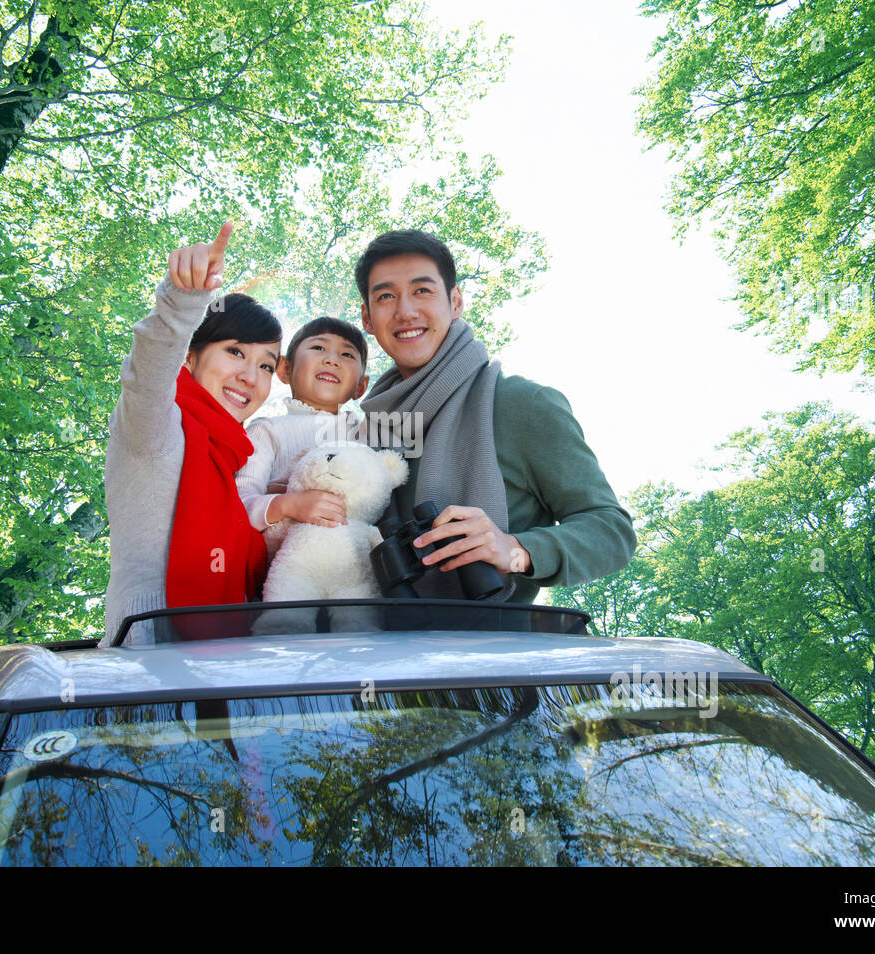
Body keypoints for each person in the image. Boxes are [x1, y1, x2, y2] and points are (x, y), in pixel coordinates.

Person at [354, 229, 637, 601]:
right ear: (368, 319)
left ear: (455, 302)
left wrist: (516, 549)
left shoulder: (522, 403)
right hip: (375, 647)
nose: (405, 311)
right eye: (386, 296)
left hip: (498, 647)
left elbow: (612, 531)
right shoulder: (363, 432)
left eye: (423, 290)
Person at [103, 222, 282, 645]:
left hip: (239, 675)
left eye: (267, 365)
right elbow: (147, 374)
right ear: (189, 359)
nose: (249, 376)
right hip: (152, 674)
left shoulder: (241, 465)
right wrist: (182, 300)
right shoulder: (155, 428)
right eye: (235, 352)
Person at [234, 316, 370, 555]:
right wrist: (287, 505)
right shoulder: (267, 429)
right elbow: (238, 504)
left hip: (353, 562)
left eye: (347, 355)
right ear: (285, 368)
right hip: (286, 567)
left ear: (361, 386)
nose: (331, 360)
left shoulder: (365, 433)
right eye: (318, 348)